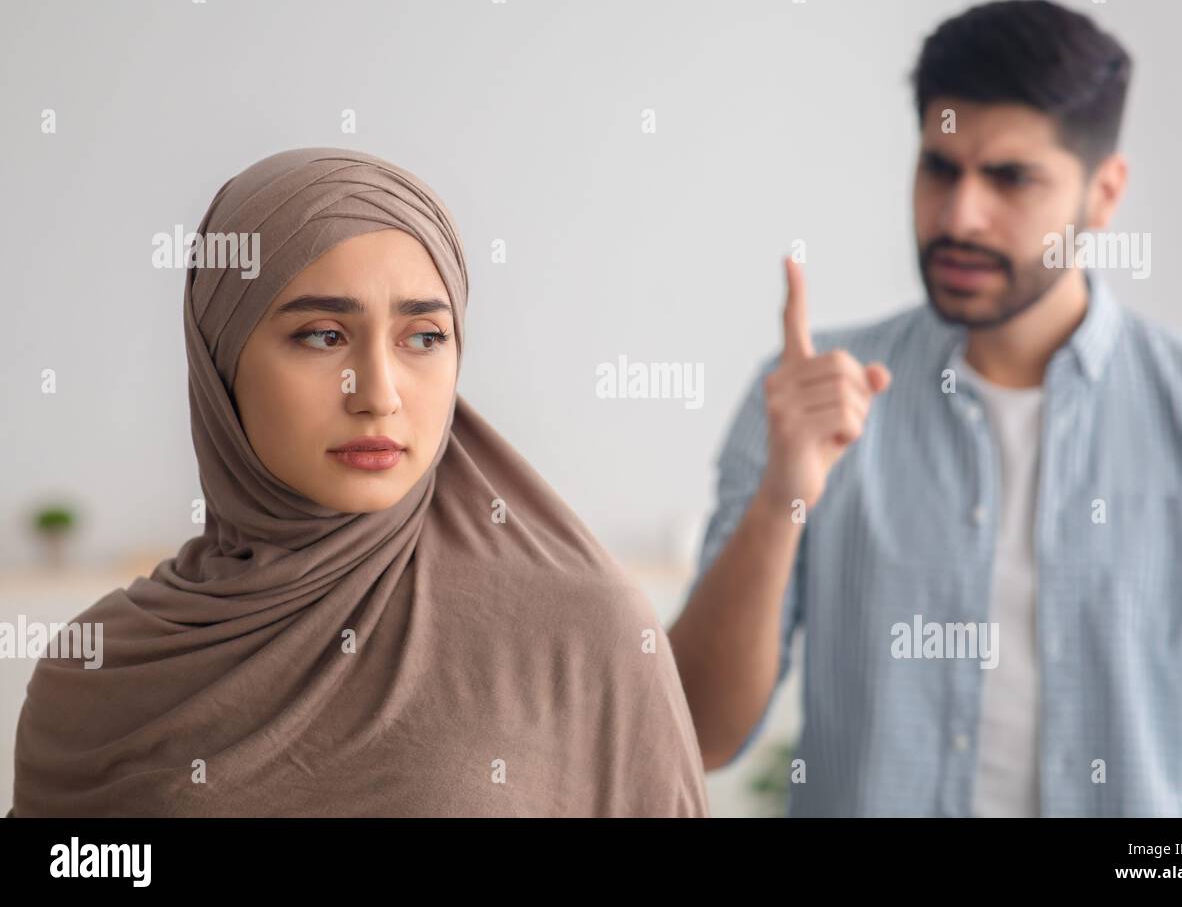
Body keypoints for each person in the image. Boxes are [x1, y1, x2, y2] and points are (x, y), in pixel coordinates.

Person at [669, 0, 1182, 816]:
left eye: (1011, 178)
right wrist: (781, 498)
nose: (960, 215)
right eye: (940, 167)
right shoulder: (803, 402)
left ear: (1103, 195)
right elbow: (695, 732)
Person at [11, 147, 709, 817]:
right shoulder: (101, 673)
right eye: (322, 335)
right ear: (220, 362)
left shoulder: (583, 629)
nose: (377, 393)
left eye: (424, 338)